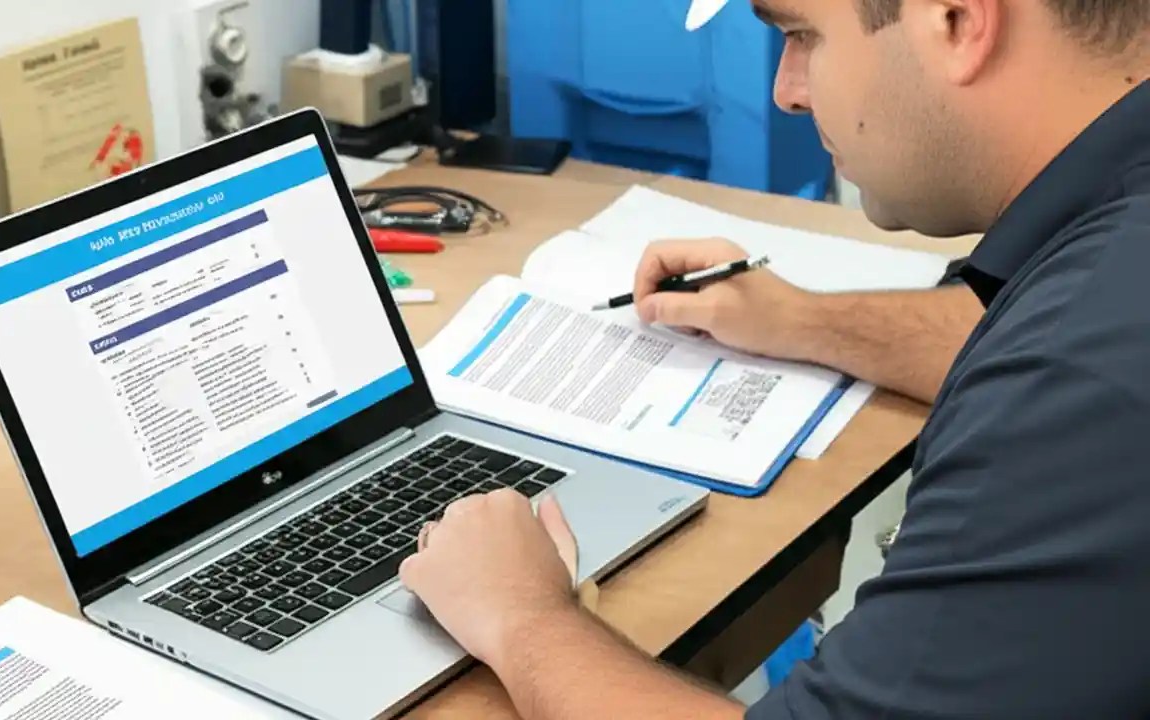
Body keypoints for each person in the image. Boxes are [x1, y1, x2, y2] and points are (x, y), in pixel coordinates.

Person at [397, 0, 1150, 717]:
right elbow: (1010, 333)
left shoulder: (1077, 376)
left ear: (955, 21)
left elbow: (1062, 363)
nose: (787, 93)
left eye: (802, 34)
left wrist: (523, 615)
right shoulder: (1104, 261)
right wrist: (803, 321)